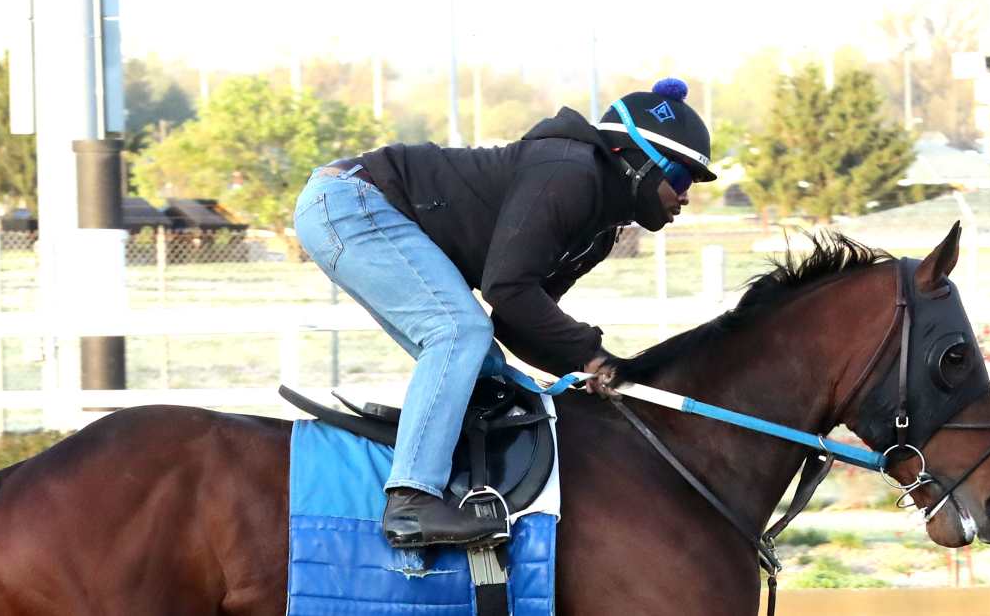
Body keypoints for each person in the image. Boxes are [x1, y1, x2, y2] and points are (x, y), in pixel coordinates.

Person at [293, 78, 715, 548]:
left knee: (487, 365)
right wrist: (590, 354)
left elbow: (519, 316)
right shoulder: (569, 171)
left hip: (362, 209)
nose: (684, 197)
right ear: (633, 160)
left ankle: (466, 483)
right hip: (350, 202)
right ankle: (411, 500)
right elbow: (508, 289)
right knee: (458, 333)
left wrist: (587, 366)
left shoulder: (600, 233)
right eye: (679, 179)